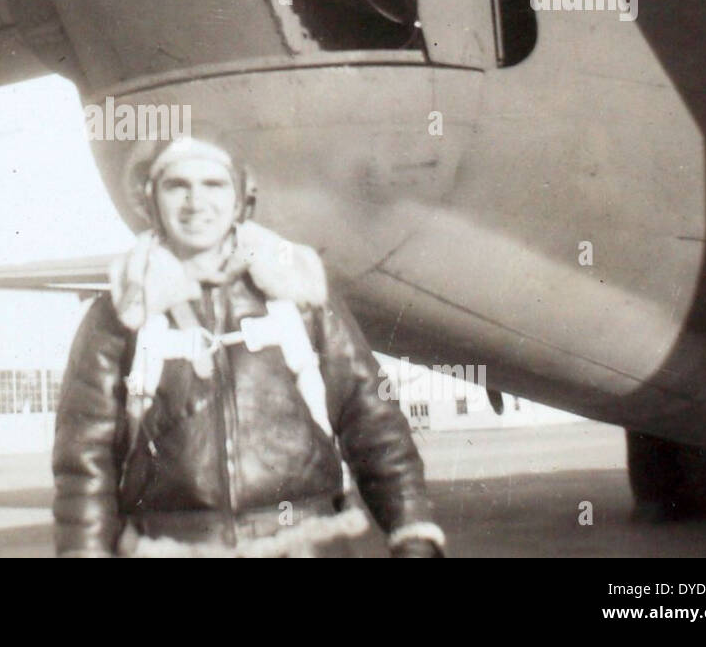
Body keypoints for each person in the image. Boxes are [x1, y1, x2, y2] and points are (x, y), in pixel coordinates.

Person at [52, 135, 445, 557]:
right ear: (152, 200)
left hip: (305, 545)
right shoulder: (120, 315)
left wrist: (413, 531)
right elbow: (84, 461)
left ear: (240, 198)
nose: (195, 201)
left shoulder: (301, 298)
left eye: (213, 185)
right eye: (177, 185)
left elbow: (372, 422)